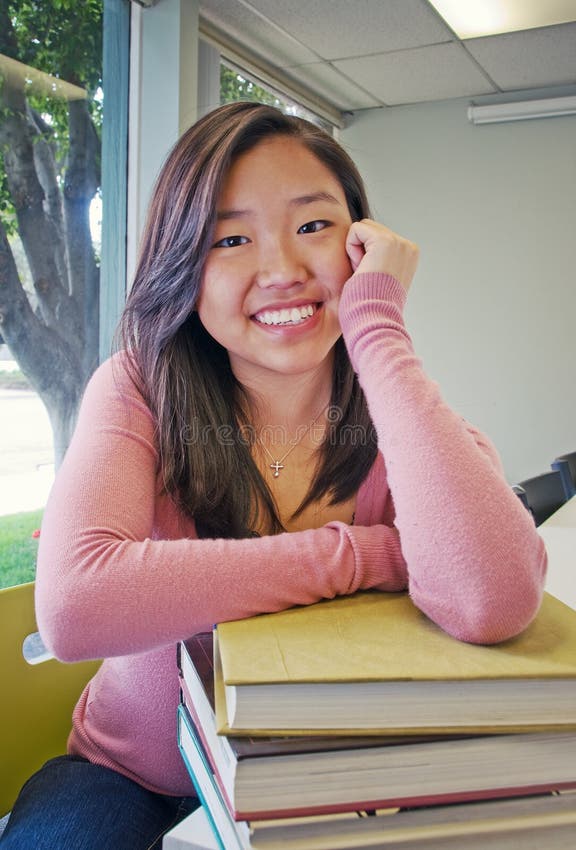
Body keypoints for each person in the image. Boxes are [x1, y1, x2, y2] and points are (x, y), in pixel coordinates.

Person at [0, 101, 546, 848]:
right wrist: (373, 554)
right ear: (181, 266)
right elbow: (76, 605)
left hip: (335, 777)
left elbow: (496, 598)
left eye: (314, 226)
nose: (283, 271)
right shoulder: (138, 388)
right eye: (230, 237)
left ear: (363, 245)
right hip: (134, 781)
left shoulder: (396, 402)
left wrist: (378, 328)